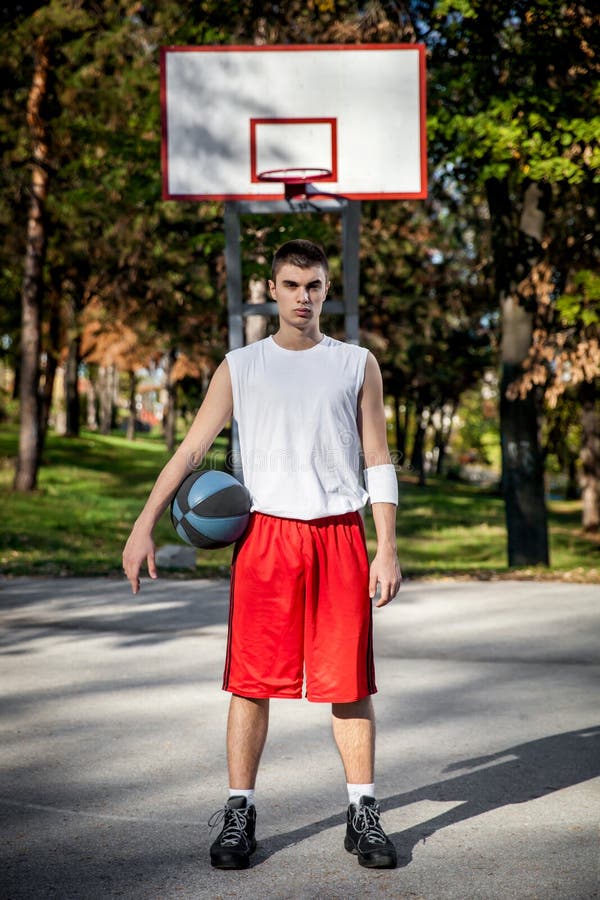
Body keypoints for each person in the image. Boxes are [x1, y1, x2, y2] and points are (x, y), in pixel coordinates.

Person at [122, 239, 402, 870]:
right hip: (266, 538)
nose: (303, 296)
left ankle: (363, 810)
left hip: (338, 534)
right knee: (250, 685)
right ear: (271, 289)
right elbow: (191, 451)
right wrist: (144, 525)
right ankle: (239, 812)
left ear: (328, 291)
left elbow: (377, 460)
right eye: (292, 284)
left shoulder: (358, 364)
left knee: (350, 684)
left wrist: (385, 547)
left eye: (314, 285)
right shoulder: (241, 366)